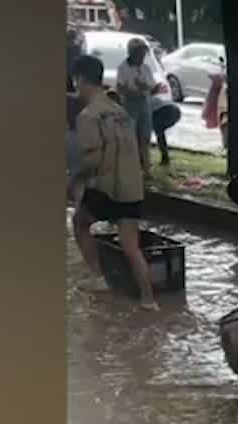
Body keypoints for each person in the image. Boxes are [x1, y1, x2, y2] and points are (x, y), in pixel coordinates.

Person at [71, 55, 157, 309]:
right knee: (131, 247)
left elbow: (93, 158)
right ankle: (149, 301)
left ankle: (100, 278)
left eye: (76, 81)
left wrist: (74, 177)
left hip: (107, 190)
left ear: (81, 80)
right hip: (132, 188)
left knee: (79, 223)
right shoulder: (119, 111)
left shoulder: (88, 116)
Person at [116, 38, 161, 173]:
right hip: (130, 104)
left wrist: (151, 89)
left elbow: (152, 89)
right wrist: (133, 92)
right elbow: (120, 88)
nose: (142, 57)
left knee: (145, 136)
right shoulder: (123, 68)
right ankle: (131, 167)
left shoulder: (146, 68)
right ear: (131, 53)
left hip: (144, 103)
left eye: (144, 54)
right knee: (131, 137)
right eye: (139, 54)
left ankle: (146, 167)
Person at [202, 71, 238, 152]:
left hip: (235, 111)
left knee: (236, 127)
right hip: (225, 109)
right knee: (225, 125)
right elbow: (213, 76)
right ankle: (228, 144)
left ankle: (234, 145)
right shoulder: (223, 82)